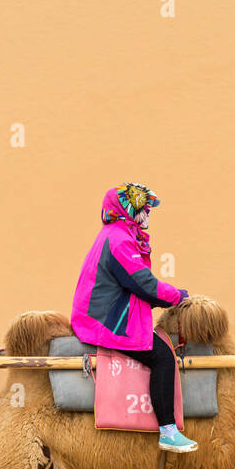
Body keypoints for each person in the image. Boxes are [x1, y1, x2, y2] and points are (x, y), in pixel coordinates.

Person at [71, 183, 199, 452]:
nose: (148, 214)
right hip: (105, 319)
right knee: (163, 357)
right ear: (130, 210)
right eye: (145, 208)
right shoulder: (120, 240)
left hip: (104, 311)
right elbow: (143, 283)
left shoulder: (115, 234)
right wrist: (180, 296)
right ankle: (167, 430)